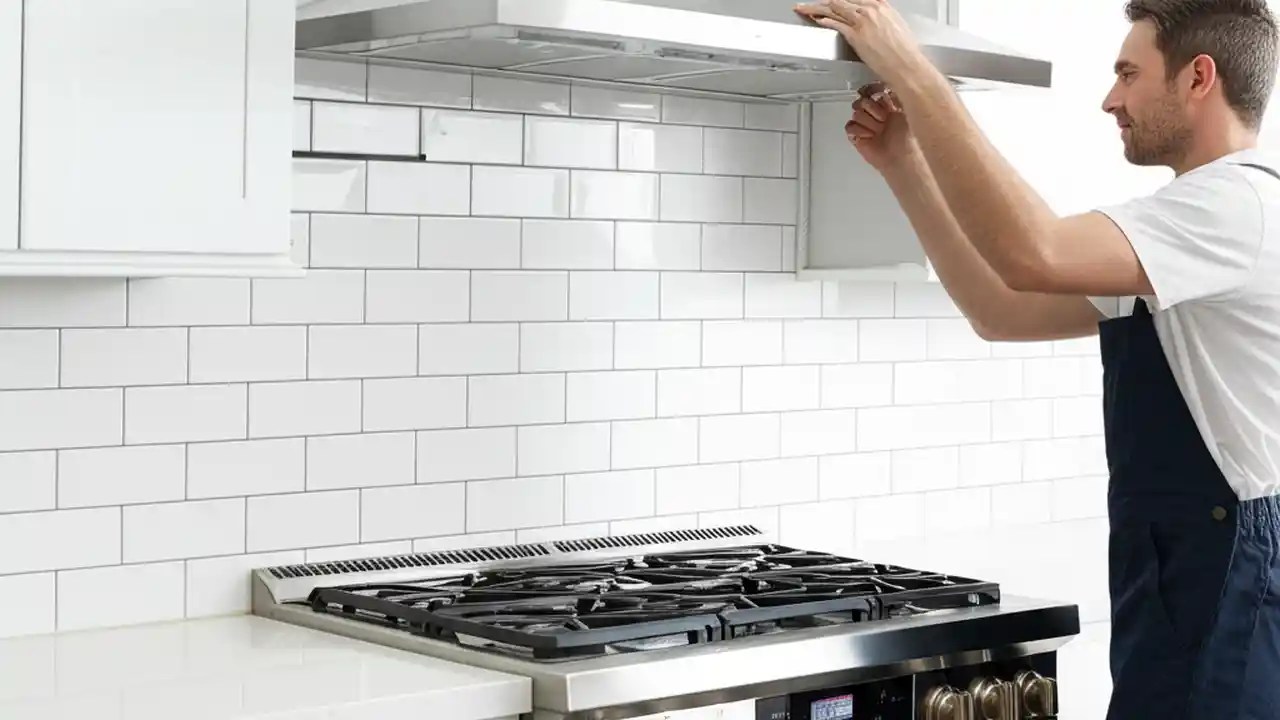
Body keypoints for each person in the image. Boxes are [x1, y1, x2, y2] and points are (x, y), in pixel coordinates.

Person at [791, 0, 1280, 717]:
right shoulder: (1190, 228)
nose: (1110, 99)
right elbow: (1004, 308)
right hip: (1184, 578)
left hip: (1224, 575)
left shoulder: (1234, 206)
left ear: (1198, 78)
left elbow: (1037, 251)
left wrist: (913, 69)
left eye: (1128, 73)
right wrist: (905, 166)